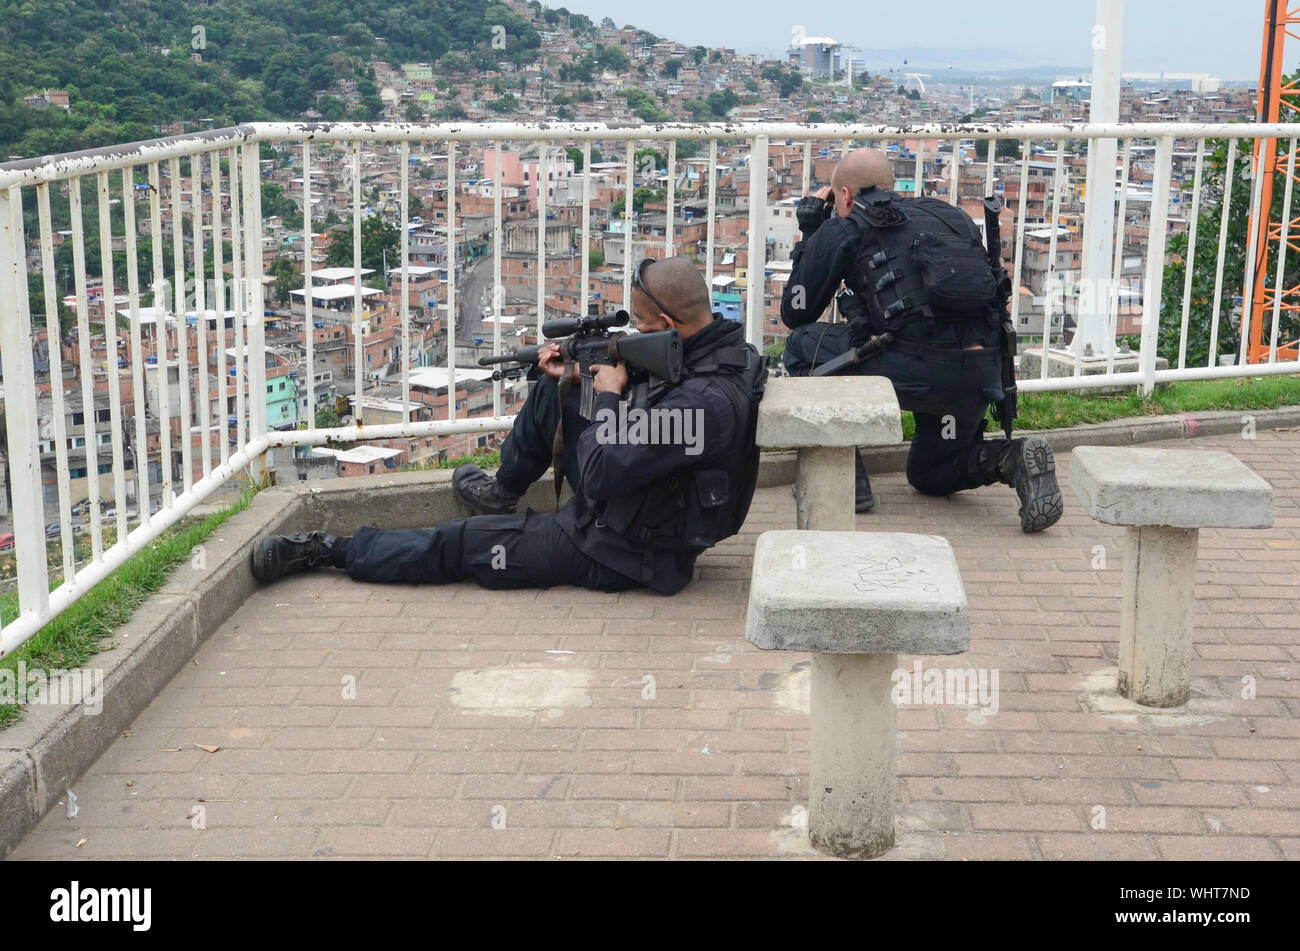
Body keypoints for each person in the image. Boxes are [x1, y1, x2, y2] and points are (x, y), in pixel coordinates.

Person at [250, 256, 766, 593]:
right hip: (639, 500)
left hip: (624, 549)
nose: (631, 331)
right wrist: (587, 380)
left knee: (465, 544)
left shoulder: (705, 404)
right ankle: (504, 488)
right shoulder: (723, 354)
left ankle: (328, 551)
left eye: (639, 324)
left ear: (669, 327)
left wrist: (608, 396)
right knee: (557, 386)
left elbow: (609, 468)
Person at [780, 147, 1063, 533]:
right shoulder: (949, 216)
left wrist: (812, 232)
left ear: (844, 196)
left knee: (801, 346)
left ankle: (845, 477)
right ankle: (1009, 457)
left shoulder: (845, 226)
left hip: (909, 371)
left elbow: (797, 312)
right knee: (930, 474)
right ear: (890, 186)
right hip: (978, 375)